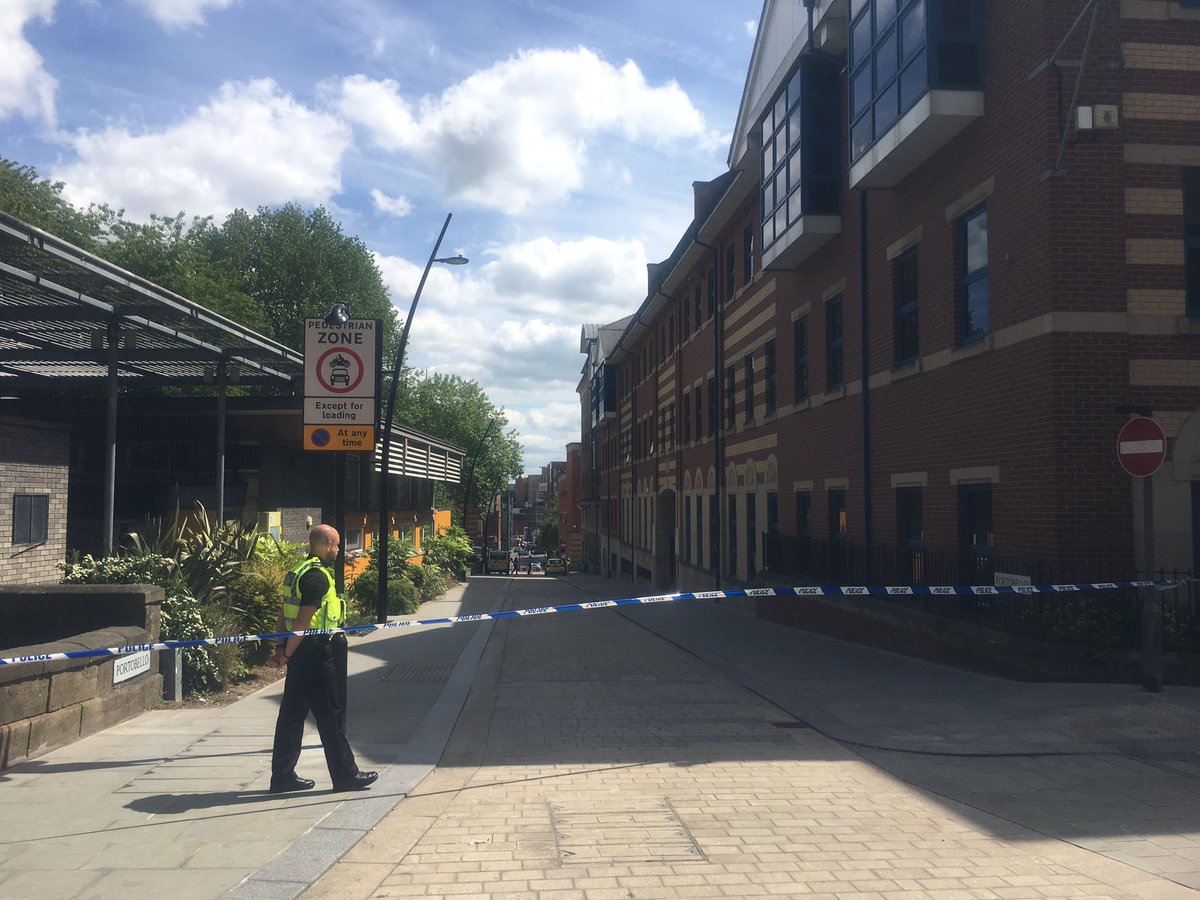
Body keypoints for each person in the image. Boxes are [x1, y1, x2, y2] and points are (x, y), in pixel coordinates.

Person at [269, 524, 377, 794]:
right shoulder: (316, 577)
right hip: (315, 652)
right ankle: (346, 775)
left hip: (298, 651)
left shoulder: (297, 571)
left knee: (292, 715)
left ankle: (282, 776)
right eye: (337, 545)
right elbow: (303, 622)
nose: (338, 550)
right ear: (327, 544)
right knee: (330, 714)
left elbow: (284, 614)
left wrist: (281, 647)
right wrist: (287, 653)